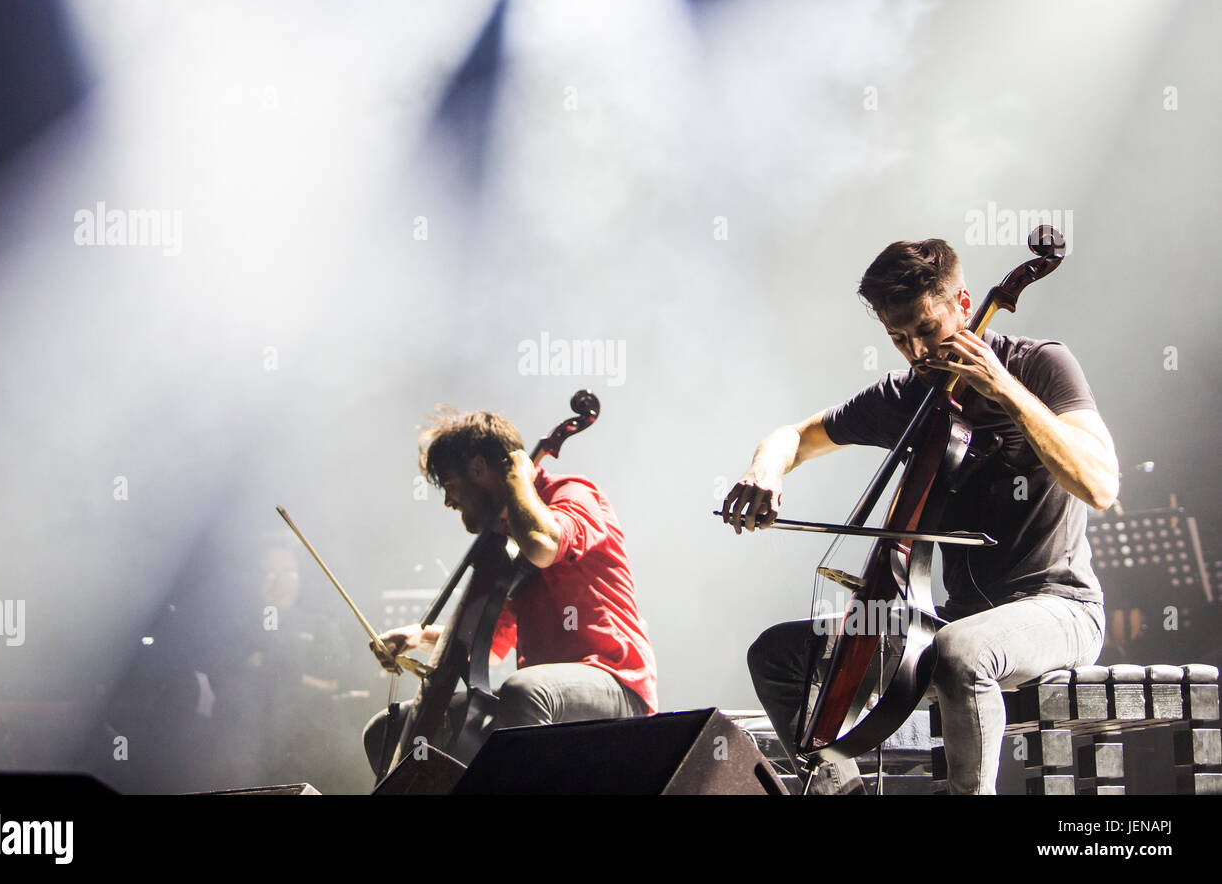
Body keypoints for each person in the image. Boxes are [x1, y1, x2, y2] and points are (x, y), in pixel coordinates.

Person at [721, 239, 1117, 794]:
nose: (916, 351)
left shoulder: (1040, 364)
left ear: (964, 301)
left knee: (960, 655)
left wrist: (1003, 388)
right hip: (957, 617)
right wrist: (766, 469)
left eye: (927, 330)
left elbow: (1100, 483)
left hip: (1059, 607)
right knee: (778, 655)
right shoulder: (911, 397)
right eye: (897, 338)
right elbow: (795, 436)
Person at [362, 408, 657, 777]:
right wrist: (420, 637)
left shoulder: (571, 493)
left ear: (479, 468)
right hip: (545, 692)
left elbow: (542, 543)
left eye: (450, 485)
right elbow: (494, 640)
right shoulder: (505, 537)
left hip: (616, 681)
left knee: (523, 692)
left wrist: (519, 480)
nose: (448, 501)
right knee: (386, 730)